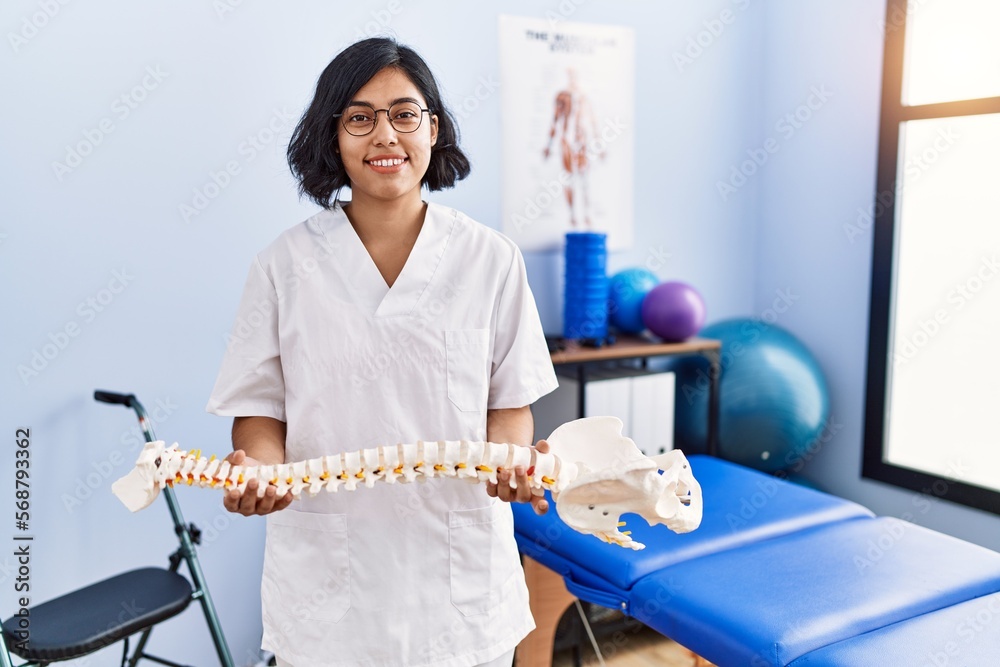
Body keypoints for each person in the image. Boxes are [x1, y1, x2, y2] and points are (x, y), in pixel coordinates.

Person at [206, 37, 559, 667]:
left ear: (434, 128)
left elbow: (509, 405)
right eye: (359, 118)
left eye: (404, 113)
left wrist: (510, 464)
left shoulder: (491, 260)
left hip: (459, 584)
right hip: (329, 591)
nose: (385, 136)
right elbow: (260, 415)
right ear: (333, 138)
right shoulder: (282, 266)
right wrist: (258, 471)